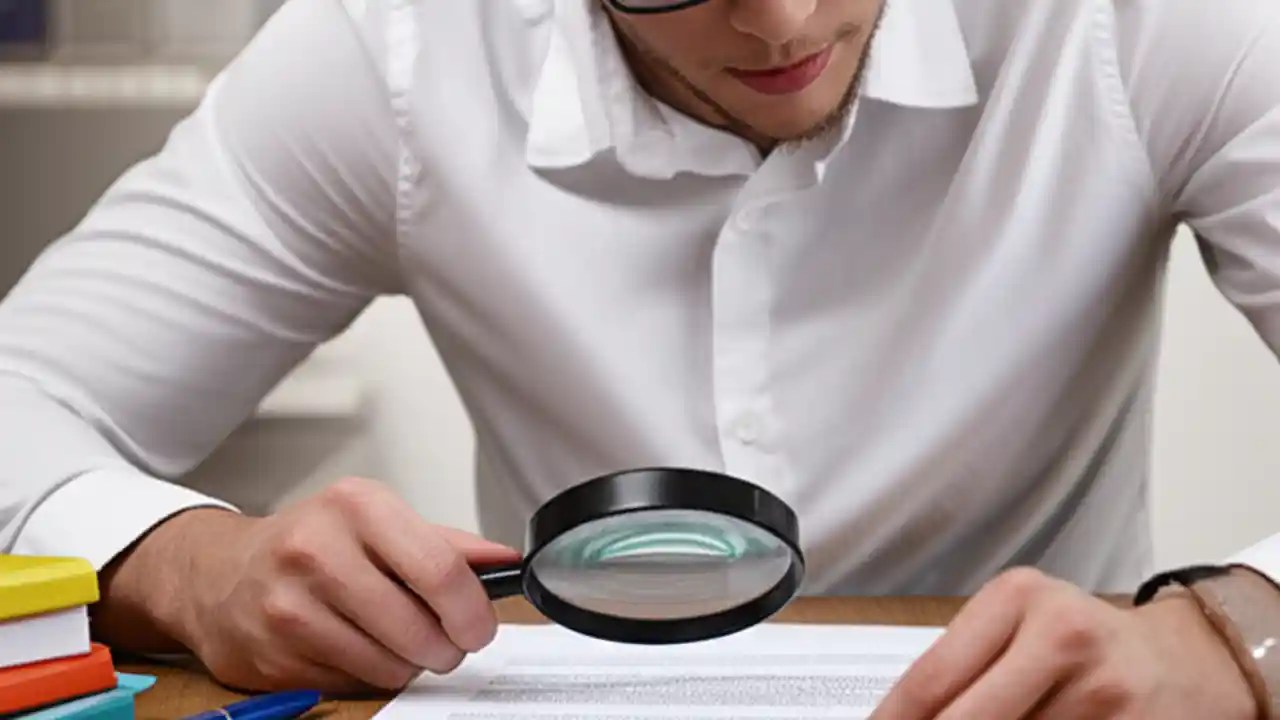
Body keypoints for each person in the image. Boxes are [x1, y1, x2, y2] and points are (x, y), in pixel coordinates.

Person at [1, 0, 1278, 715]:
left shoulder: (1136, 19)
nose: (780, 17)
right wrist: (186, 563)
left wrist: (1232, 635)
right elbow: (23, 393)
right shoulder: (390, 49)